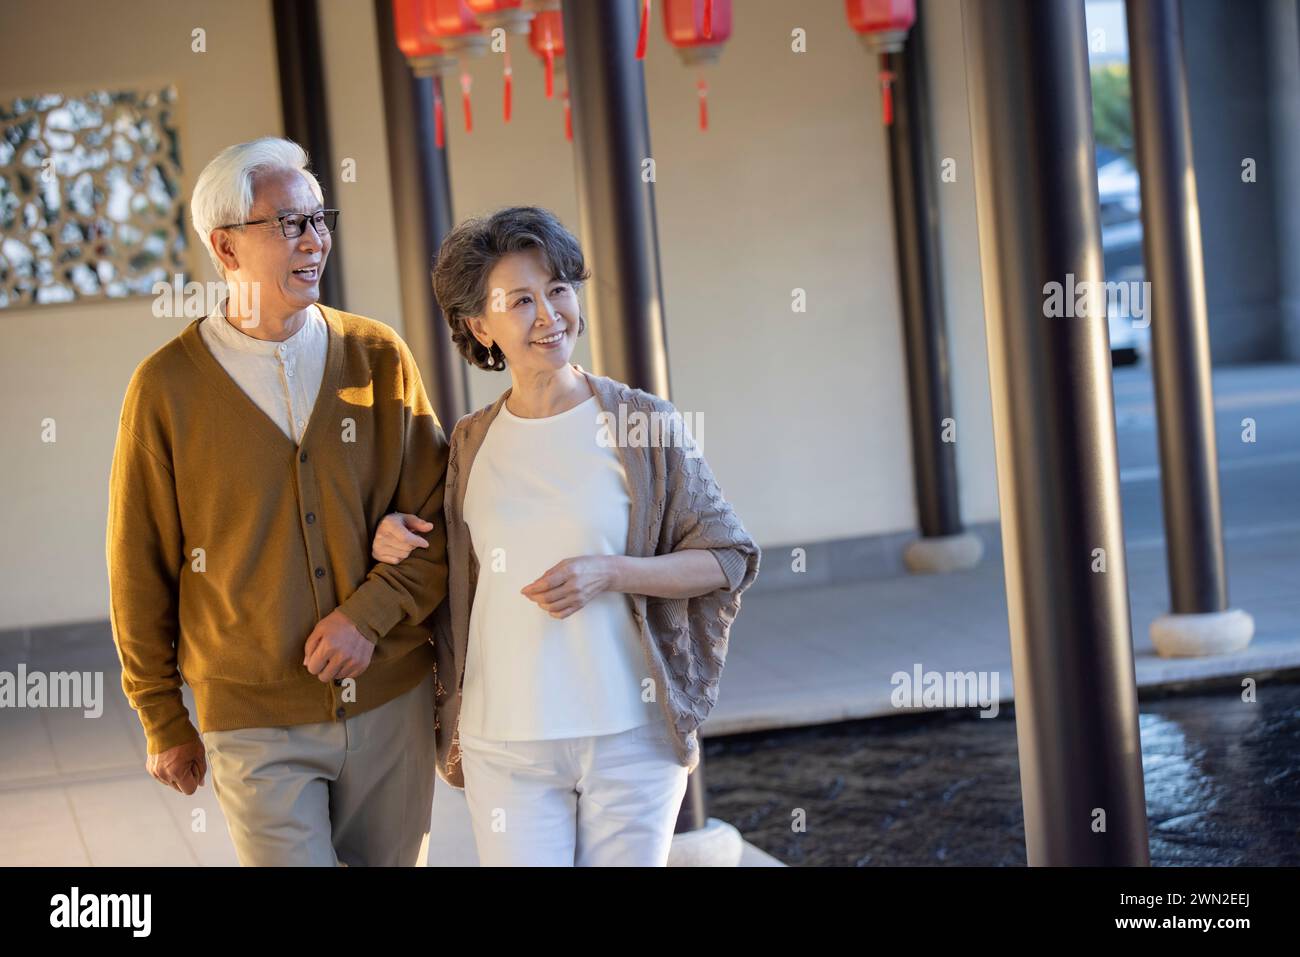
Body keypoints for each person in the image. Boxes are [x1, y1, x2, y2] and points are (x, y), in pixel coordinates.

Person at [372, 206, 760, 866]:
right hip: (505, 740)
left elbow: (728, 556)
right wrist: (390, 532)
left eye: (558, 290)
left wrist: (612, 571)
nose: (549, 315)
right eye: (520, 300)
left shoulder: (642, 422)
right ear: (479, 325)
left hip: (630, 737)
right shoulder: (469, 442)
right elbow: (440, 550)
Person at [106, 137, 448, 865]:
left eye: (319, 218)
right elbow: (137, 567)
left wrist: (369, 614)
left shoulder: (378, 356)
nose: (316, 240)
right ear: (226, 248)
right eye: (289, 223)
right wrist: (160, 713)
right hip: (252, 718)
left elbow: (441, 517)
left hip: (389, 700)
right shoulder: (166, 389)